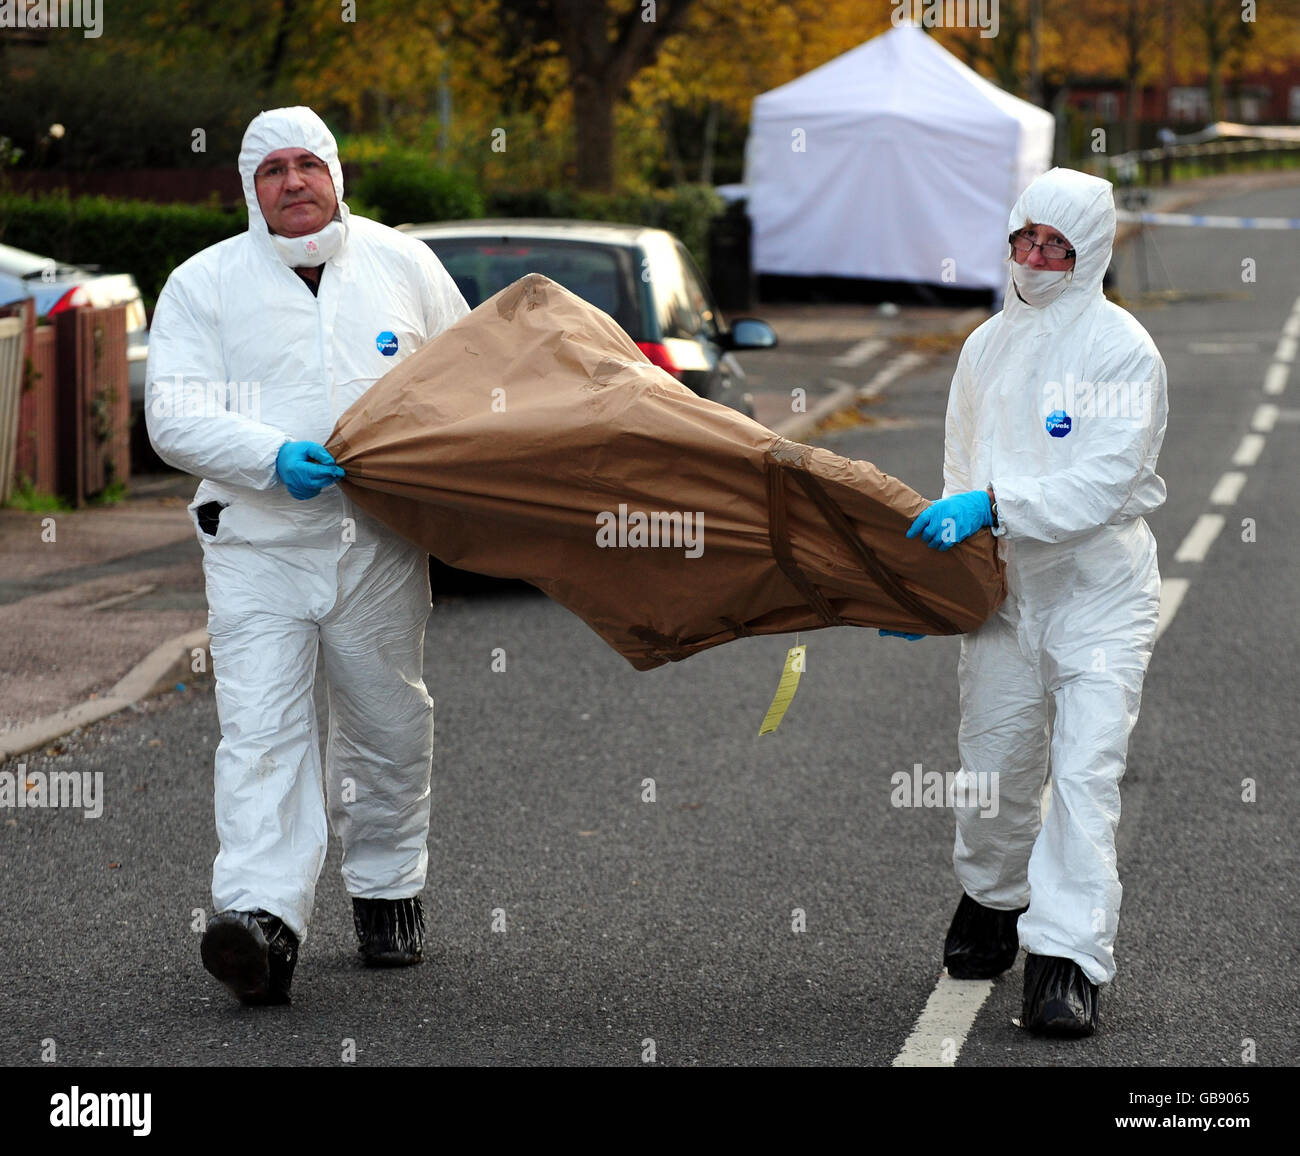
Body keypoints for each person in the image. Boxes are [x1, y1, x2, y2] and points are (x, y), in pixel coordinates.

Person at [146, 107, 469, 1006]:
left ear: (337, 173)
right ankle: (260, 921)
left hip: (379, 548)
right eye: (273, 170)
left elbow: (473, 376)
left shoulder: (404, 266)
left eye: (308, 165)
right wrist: (266, 457)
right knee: (261, 733)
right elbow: (171, 414)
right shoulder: (204, 284)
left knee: (388, 725)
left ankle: (388, 890)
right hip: (256, 548)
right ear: (251, 189)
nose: (294, 183)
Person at [883, 167, 1167, 1036]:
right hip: (1007, 594)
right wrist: (937, 587)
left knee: (1084, 774)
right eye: (1025, 239)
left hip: (1097, 596)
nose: (1036, 258)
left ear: (1088, 255)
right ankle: (992, 900)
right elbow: (959, 477)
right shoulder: (983, 348)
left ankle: (1068, 958)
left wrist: (998, 507)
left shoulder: (1123, 350)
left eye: (1056, 245)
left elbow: (1107, 483)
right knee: (994, 765)